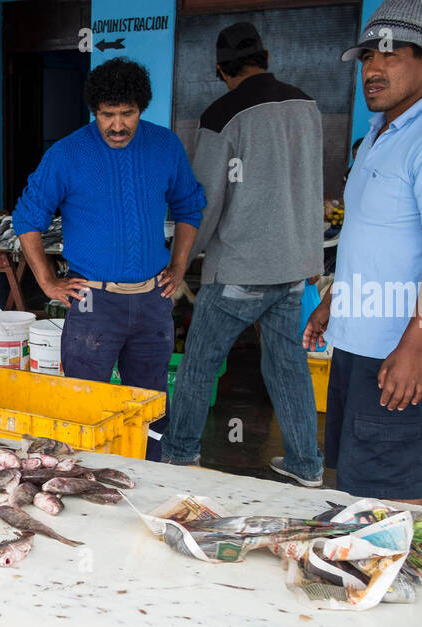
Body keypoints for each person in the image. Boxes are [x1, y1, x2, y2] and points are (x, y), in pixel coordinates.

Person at [304, 0, 422, 505]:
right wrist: (333, 300)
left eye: (389, 56)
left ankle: (392, 577)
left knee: (387, 492)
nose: (373, 70)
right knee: (354, 483)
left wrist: (414, 349)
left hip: (397, 354)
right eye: (366, 58)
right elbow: (370, 238)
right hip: (358, 342)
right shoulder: (380, 136)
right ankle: (358, 572)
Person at [12, 57, 204, 460]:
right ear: (94, 112)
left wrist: (181, 265)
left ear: (141, 108)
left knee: (150, 405)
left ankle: (150, 479)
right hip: (93, 303)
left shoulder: (165, 145)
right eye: (107, 115)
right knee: (85, 405)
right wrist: (46, 281)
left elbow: (189, 206)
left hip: (153, 302)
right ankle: (87, 488)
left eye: (127, 113)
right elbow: (27, 218)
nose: (117, 126)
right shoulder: (67, 154)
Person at [162, 23, 326, 487]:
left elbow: (204, 201)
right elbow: (310, 183)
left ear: (219, 69)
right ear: (267, 56)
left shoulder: (222, 114)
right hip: (294, 265)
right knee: (285, 362)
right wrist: (312, 259)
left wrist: (185, 258)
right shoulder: (306, 106)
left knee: (200, 362)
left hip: (241, 268)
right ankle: (306, 464)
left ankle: (178, 454)